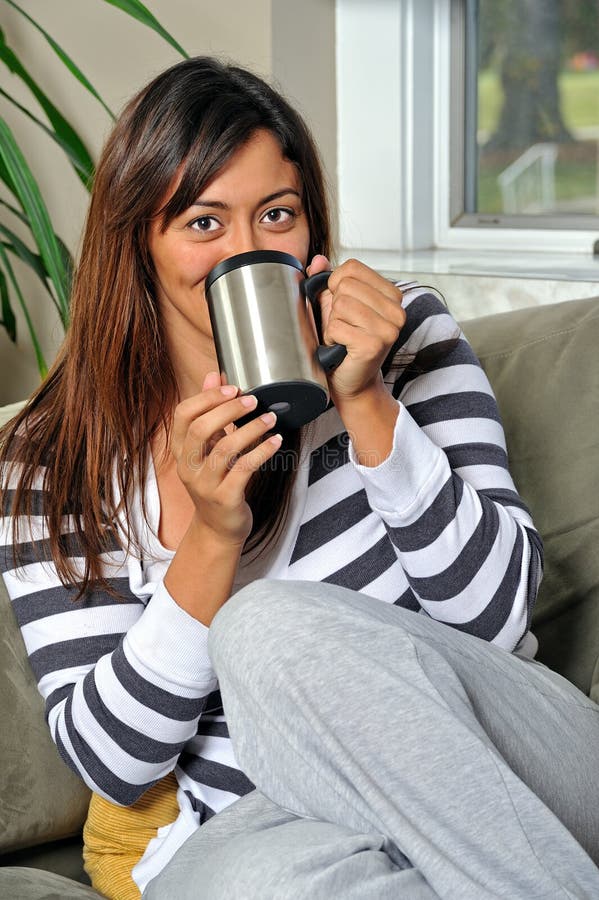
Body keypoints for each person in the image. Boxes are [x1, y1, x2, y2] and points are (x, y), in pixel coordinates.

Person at [1, 56, 599, 900]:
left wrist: (367, 404)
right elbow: (114, 763)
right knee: (249, 886)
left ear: (310, 230)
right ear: (139, 240)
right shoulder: (50, 461)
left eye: (275, 214)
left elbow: (494, 624)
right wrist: (211, 540)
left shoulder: (406, 334)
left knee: (265, 626)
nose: (247, 252)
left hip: (508, 759)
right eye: (203, 224)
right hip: (273, 820)